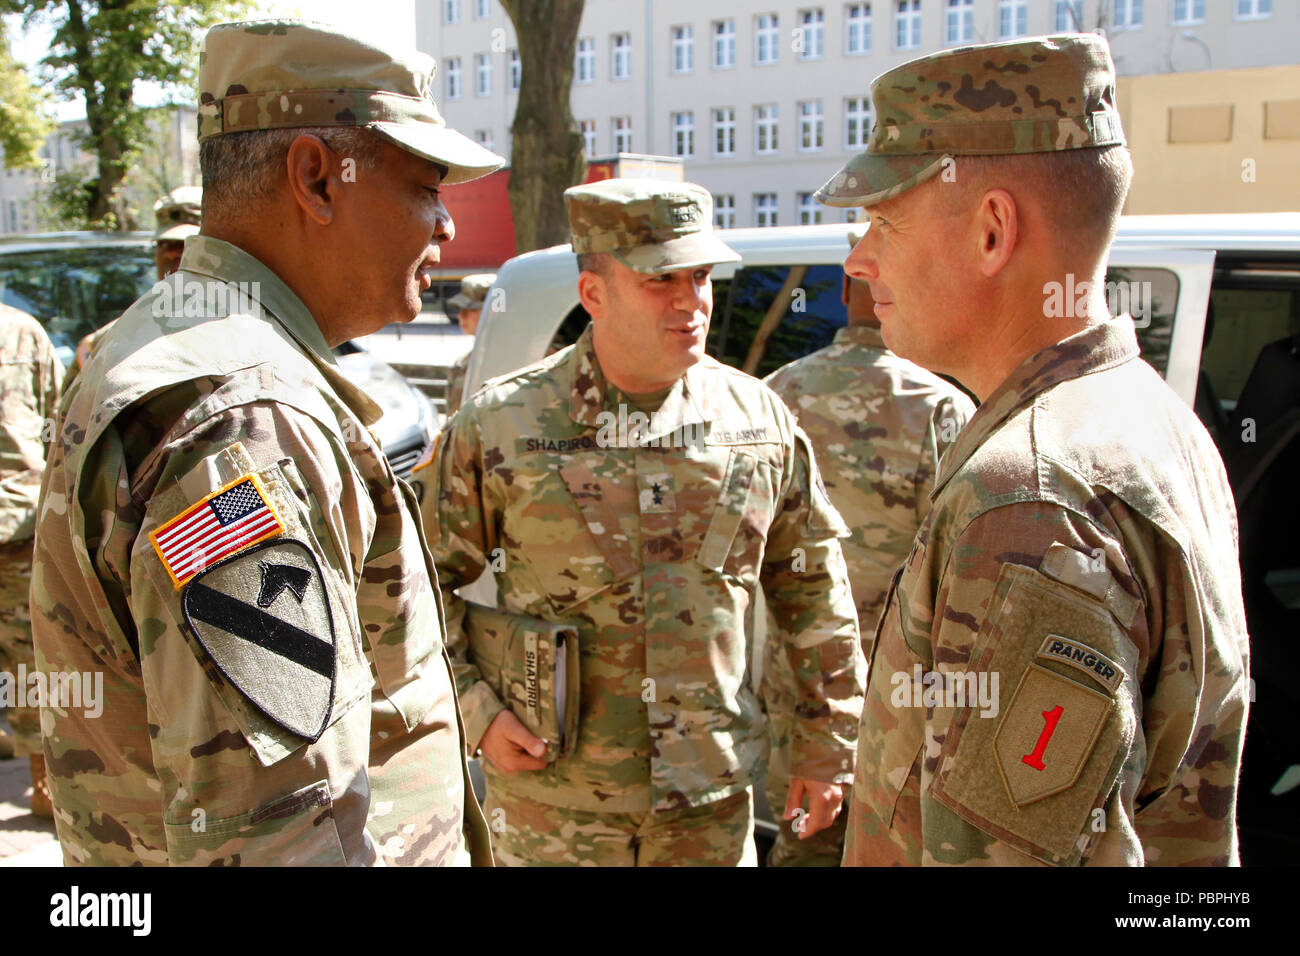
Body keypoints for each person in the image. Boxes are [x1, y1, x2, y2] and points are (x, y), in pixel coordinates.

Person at [30, 19, 504, 866]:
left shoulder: (178, 345)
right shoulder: (244, 417)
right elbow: (279, 835)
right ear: (317, 178)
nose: (447, 228)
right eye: (425, 185)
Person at [815, 34, 1249, 866]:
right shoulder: (1152, 422)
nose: (858, 259)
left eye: (882, 219)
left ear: (992, 231)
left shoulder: (1029, 498)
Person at [423, 178, 864, 866]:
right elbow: (409, 587)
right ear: (594, 293)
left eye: (700, 276)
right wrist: (477, 713)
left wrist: (827, 741)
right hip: (554, 814)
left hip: (708, 809)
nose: (691, 301)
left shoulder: (758, 422)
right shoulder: (502, 425)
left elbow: (811, 584)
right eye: (662, 279)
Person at [759, 230, 975, 866]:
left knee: (803, 845)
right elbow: (962, 571)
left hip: (799, 691)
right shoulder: (940, 408)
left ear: (848, 286)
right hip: (902, 696)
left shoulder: (774, 397)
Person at [0, 303, 62, 818]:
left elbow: (55, 419)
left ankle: (43, 773)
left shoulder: (22, 332)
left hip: (16, 520)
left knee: (27, 657)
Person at [69, 186, 203, 381]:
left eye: (184, 244)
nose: (171, 254)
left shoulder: (245, 328)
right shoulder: (106, 343)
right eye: (163, 244)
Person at [443, 272, 496, 417]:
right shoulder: (465, 361)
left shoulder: (509, 358)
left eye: (470, 309)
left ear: (492, 311)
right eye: (460, 309)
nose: (461, 315)